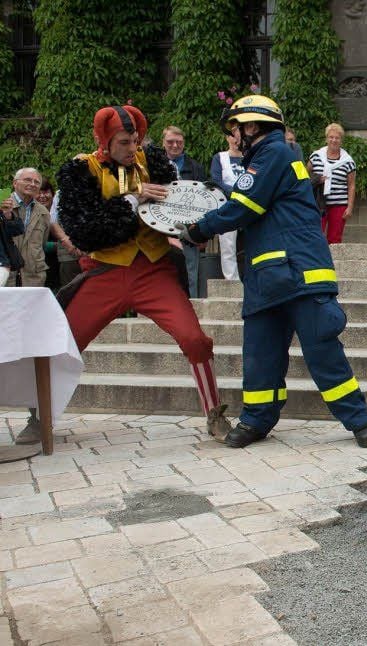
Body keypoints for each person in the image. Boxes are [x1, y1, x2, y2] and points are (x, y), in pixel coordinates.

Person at [177, 95, 367, 450]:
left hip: (299, 274)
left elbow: (244, 206)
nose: (234, 136)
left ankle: (359, 421)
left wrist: (198, 229)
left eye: (237, 128)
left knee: (322, 351)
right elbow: (249, 201)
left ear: (253, 126)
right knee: (260, 355)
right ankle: (256, 420)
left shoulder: (273, 153)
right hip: (267, 277)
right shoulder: (268, 158)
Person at [23, 105, 233, 445]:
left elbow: (177, 206)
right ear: (103, 140)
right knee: (62, 344)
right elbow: (86, 230)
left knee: (194, 339)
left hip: (154, 271)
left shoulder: (153, 162)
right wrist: (134, 199)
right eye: (123, 142)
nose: (132, 148)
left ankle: (214, 413)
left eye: (135, 140)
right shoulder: (83, 169)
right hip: (105, 272)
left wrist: (192, 224)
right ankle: (38, 416)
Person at [163, 125, 207, 297]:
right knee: (161, 275)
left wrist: (202, 233)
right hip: (160, 230)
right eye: (170, 141)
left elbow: (204, 202)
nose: (175, 145)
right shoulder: (151, 165)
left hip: (188, 230)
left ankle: (191, 307)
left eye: (179, 142)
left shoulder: (195, 167)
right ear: (163, 142)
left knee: (190, 274)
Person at [308, 123, 356, 245]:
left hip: (339, 205)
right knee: (315, 236)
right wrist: (317, 180)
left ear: (341, 140)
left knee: (334, 239)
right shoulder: (315, 156)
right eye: (331, 137)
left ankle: (334, 258)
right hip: (318, 204)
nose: (334, 140)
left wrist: (350, 207)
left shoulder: (348, 161)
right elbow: (305, 176)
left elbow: (351, 185)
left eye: (337, 138)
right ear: (326, 138)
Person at [2, 168, 50, 288]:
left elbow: (42, 243)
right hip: (6, 275)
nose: (32, 184)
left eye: (36, 182)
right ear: (15, 183)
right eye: (28, 180)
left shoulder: (43, 212)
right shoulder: (2, 204)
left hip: (34, 277)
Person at [210, 128, 245, 281]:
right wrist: (236, 193)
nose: (236, 139)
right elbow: (216, 181)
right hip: (227, 205)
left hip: (250, 205)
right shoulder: (219, 157)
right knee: (228, 245)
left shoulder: (251, 157)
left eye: (239, 136)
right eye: (233, 136)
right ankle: (232, 280)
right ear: (227, 138)